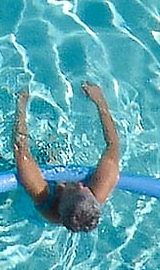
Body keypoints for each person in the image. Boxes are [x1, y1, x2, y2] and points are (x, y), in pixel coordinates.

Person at [14, 82, 121, 233]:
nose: (81, 185)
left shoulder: (44, 199)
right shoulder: (98, 190)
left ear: (61, 197)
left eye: (75, 190)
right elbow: (113, 144)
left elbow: (20, 149)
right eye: (86, 189)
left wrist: (21, 105)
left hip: (34, 213)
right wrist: (100, 101)